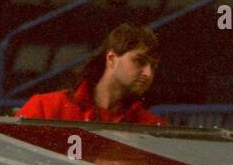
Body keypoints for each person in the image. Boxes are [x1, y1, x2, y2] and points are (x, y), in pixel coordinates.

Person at [16, 23, 165, 126]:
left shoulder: (153, 127)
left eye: (153, 66)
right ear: (111, 58)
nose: (148, 73)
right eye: (139, 61)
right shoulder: (45, 108)